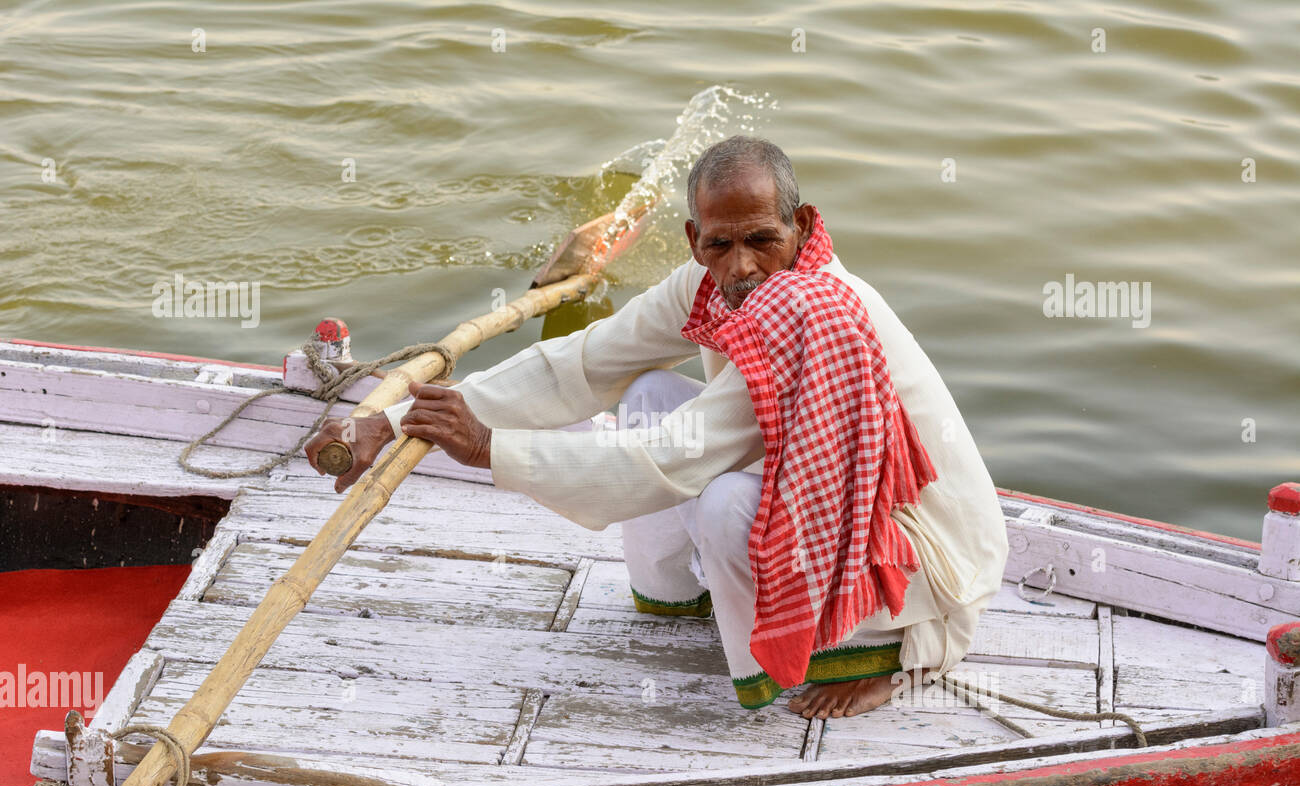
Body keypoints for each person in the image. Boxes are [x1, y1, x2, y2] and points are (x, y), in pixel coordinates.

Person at [306, 136, 1008, 719]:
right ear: (693, 239)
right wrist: (390, 421)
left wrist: (489, 449)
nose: (743, 268)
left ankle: (859, 656)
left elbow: (668, 462)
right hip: (825, 506)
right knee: (646, 389)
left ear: (800, 226)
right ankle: (682, 600)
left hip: (914, 555)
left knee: (728, 502)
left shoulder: (813, 314)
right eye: (721, 244)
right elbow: (577, 366)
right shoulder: (704, 284)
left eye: (763, 240)